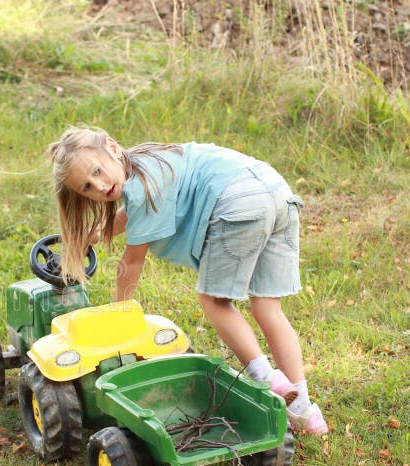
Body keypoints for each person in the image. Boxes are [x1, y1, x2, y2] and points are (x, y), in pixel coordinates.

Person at [47, 125, 328, 435]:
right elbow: (133, 212)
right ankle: (305, 411)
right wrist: (92, 236)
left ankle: (266, 377)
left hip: (238, 203)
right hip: (275, 191)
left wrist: (119, 314)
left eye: (97, 171)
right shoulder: (150, 160)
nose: (99, 186)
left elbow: (131, 261)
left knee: (214, 302)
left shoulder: (141, 189)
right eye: (87, 187)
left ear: (112, 148)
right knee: (268, 308)